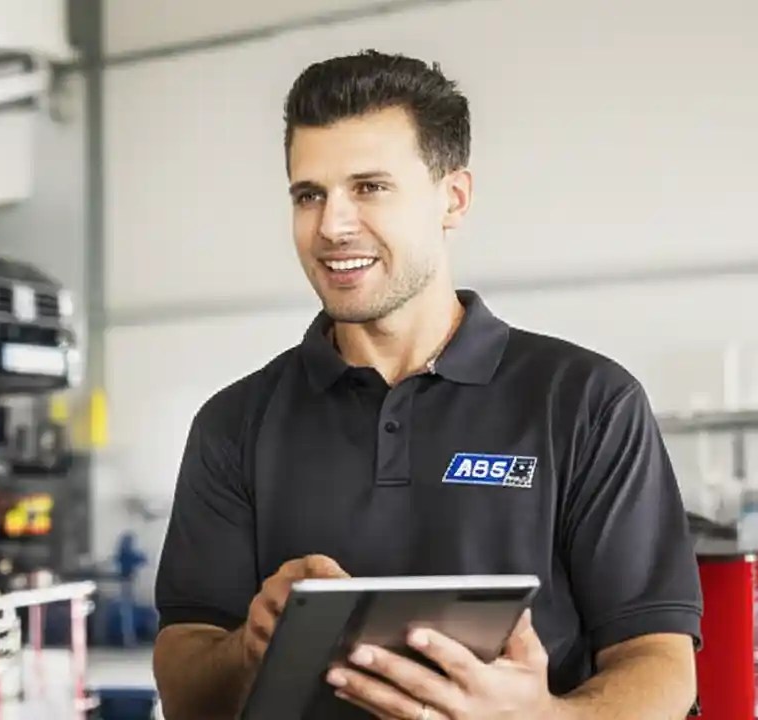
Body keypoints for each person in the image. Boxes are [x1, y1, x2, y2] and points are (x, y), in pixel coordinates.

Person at [152, 51, 701, 720]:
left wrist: (546, 717)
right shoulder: (234, 423)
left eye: (370, 187)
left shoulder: (587, 402)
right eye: (309, 194)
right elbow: (184, 685)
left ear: (454, 198)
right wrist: (249, 644)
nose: (332, 225)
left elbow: (662, 666)